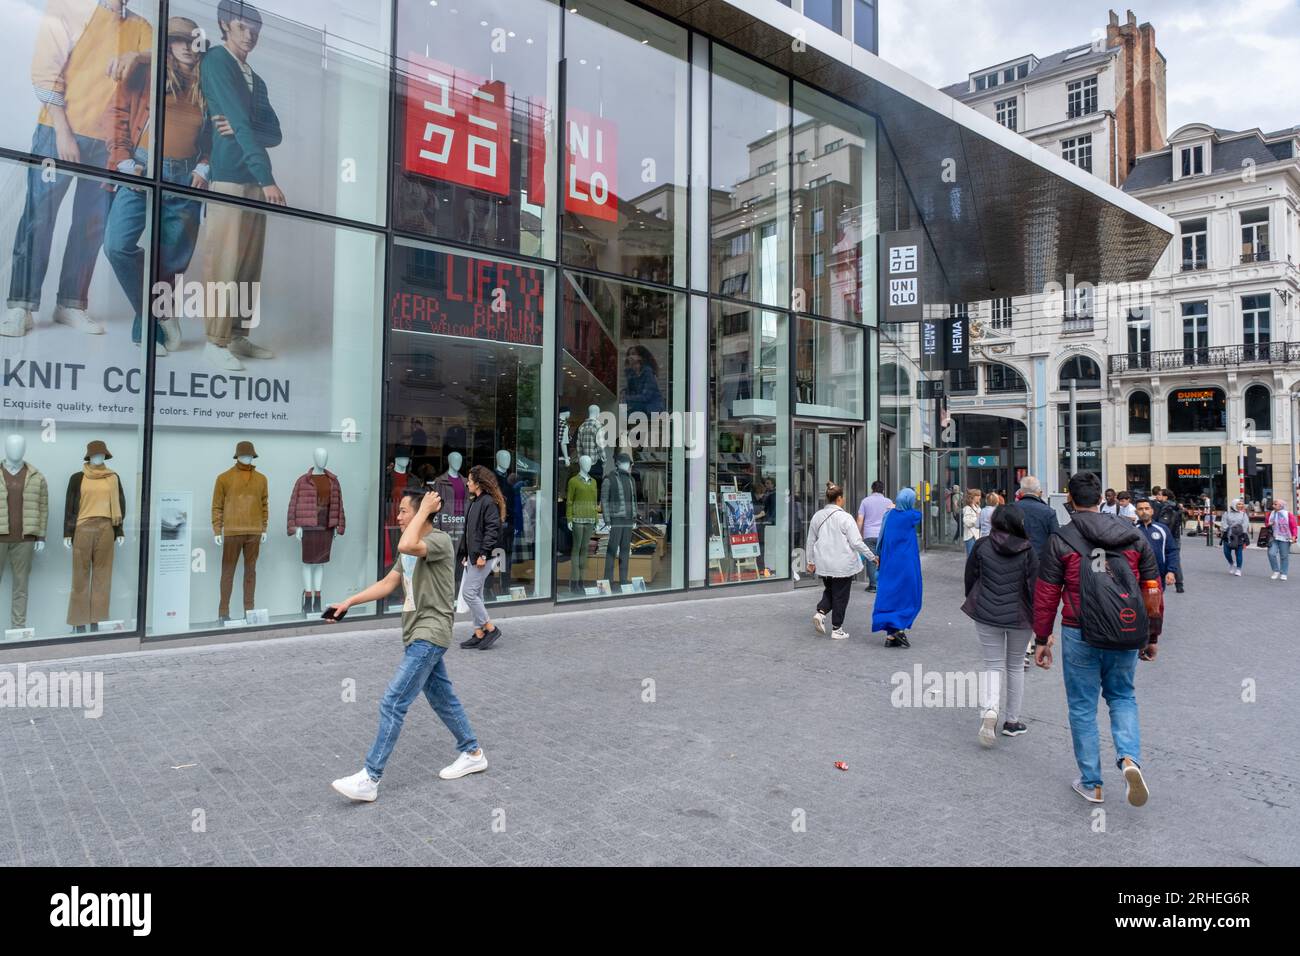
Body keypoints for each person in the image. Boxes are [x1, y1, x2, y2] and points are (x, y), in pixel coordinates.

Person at [2, 0, 152, 339]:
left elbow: (162, 58)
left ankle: (71, 303)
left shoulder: (142, 27)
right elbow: (44, 71)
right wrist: (62, 131)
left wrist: (138, 57)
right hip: (58, 131)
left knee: (91, 225)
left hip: (110, 143)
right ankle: (20, 306)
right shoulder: (67, 7)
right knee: (39, 216)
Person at [327, 488, 486, 802]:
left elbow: (406, 542)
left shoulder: (437, 541)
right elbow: (389, 583)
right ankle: (473, 752)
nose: (397, 516)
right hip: (416, 633)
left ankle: (370, 779)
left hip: (430, 633)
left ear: (421, 513)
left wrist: (426, 508)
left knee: (392, 701)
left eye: (403, 511)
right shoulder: (409, 551)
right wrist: (349, 602)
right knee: (442, 698)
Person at [1032, 471, 1162, 807]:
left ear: (1070, 501)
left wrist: (1042, 638)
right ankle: (1129, 758)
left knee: (1082, 706)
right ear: (1102, 499)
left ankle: (1092, 782)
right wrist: (1152, 634)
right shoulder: (1133, 535)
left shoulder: (1061, 539)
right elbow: (1152, 590)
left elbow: (1046, 594)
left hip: (1079, 630)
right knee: (1122, 696)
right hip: (1126, 629)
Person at [103, 15, 211, 356]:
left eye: (192, 41)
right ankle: (159, 311)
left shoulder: (208, 82)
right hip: (142, 169)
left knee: (171, 259)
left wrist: (205, 166)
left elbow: (214, 134)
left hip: (186, 176)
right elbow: (117, 116)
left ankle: (147, 327)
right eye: (178, 40)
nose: (187, 48)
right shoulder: (146, 74)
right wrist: (125, 163)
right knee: (117, 245)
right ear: (166, 45)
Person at [198, 0, 284, 372]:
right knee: (225, 262)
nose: (250, 35)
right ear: (224, 25)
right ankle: (214, 341)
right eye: (242, 27)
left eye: (255, 30)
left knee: (249, 265)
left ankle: (236, 334)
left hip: (251, 178)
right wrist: (268, 179)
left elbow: (275, 133)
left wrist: (244, 126)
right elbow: (243, 122)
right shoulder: (217, 62)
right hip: (231, 177)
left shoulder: (256, 78)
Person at [962, 504, 1037, 745]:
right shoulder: (1028, 549)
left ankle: (990, 711)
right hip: (1020, 616)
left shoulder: (983, 544)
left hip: (986, 612)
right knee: (1015, 666)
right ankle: (1012, 721)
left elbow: (970, 576)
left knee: (992, 665)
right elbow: (1035, 587)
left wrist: (974, 600)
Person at [806, 482, 876, 641]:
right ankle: (837, 628)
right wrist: (872, 556)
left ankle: (821, 612)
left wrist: (810, 561)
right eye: (842, 497)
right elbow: (856, 542)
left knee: (830, 590)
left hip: (824, 563)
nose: (843, 500)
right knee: (841, 596)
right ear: (838, 499)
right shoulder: (845, 517)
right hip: (843, 564)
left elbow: (810, 540)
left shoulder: (817, 516)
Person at [457, 465, 505, 650]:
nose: (467, 482)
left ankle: (490, 628)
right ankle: (479, 632)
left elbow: (492, 530)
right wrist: (465, 554)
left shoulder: (488, 502)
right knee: (475, 593)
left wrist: (483, 554)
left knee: (468, 593)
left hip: (483, 556)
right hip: (474, 555)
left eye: (469, 480)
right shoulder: (475, 501)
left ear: (478, 483)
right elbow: (470, 531)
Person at [872, 487, 923, 648]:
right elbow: (918, 514)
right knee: (908, 595)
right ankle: (898, 629)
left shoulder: (889, 515)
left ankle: (891, 637)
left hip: (889, 562)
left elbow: (882, 536)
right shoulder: (911, 516)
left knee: (890, 594)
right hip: (906, 563)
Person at [856, 480, 892, 593]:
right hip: (883, 535)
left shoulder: (865, 501)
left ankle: (873, 585)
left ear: (872, 489)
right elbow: (891, 519)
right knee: (884, 558)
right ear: (883, 490)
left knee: (871, 560)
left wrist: (857, 534)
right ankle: (884, 583)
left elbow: (860, 519)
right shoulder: (888, 502)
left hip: (869, 534)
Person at [1135, 499, 1179, 591]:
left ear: (1152, 511)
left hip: (1158, 575)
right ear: (1136, 512)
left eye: (1147, 508)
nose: (1144, 511)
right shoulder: (1132, 530)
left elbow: (1172, 551)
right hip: (1138, 577)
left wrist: (1171, 571)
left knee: (1155, 603)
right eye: (1140, 509)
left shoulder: (1162, 529)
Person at [1152, 487, 1186, 592]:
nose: (1157, 497)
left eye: (1159, 495)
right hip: (1175, 536)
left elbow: (1163, 523)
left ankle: (1167, 581)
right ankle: (1179, 584)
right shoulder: (1176, 506)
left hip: (1168, 536)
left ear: (1165, 497)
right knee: (1175, 559)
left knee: (1167, 557)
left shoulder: (1166, 507)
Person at [1266, 498, 1296, 581]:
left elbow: (1293, 526)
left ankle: (1283, 573)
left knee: (1284, 556)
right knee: (1271, 553)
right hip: (1274, 537)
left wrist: (1294, 536)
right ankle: (1276, 571)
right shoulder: (1270, 514)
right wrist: (1269, 524)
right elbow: (1266, 524)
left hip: (1285, 538)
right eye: (1273, 504)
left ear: (1281, 506)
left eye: (1275, 504)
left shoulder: (1288, 514)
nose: (1273, 505)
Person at [1221, 498, 1249, 576]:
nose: (1241, 505)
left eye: (1241, 504)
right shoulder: (1227, 513)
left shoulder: (1243, 514)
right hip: (1228, 535)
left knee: (1239, 553)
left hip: (1239, 536)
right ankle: (1231, 563)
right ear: (1234, 504)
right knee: (1226, 552)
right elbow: (1223, 523)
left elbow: (1245, 525)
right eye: (1239, 504)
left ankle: (1239, 569)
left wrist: (1241, 533)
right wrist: (1228, 529)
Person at [961, 489, 982, 556]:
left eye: (980, 495)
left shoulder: (977, 507)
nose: (979, 497)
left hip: (977, 535)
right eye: (977, 495)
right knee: (971, 557)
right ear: (973, 497)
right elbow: (967, 522)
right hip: (971, 535)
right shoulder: (967, 508)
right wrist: (977, 518)